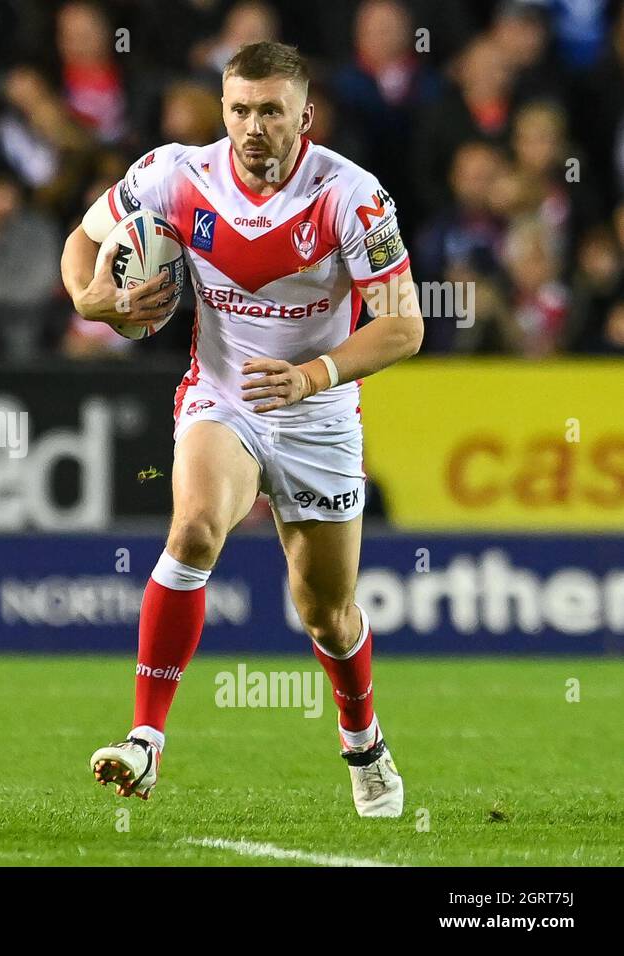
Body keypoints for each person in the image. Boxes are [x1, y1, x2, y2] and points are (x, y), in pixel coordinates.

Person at [60, 41, 423, 817]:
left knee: (325, 609)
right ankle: (145, 741)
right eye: (238, 109)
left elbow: (403, 327)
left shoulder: (350, 197)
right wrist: (90, 300)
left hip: (319, 411)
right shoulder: (175, 174)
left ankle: (362, 740)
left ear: (305, 115)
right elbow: (85, 240)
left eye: (269, 111)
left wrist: (311, 375)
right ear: (222, 107)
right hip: (223, 397)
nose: (251, 127)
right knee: (193, 528)